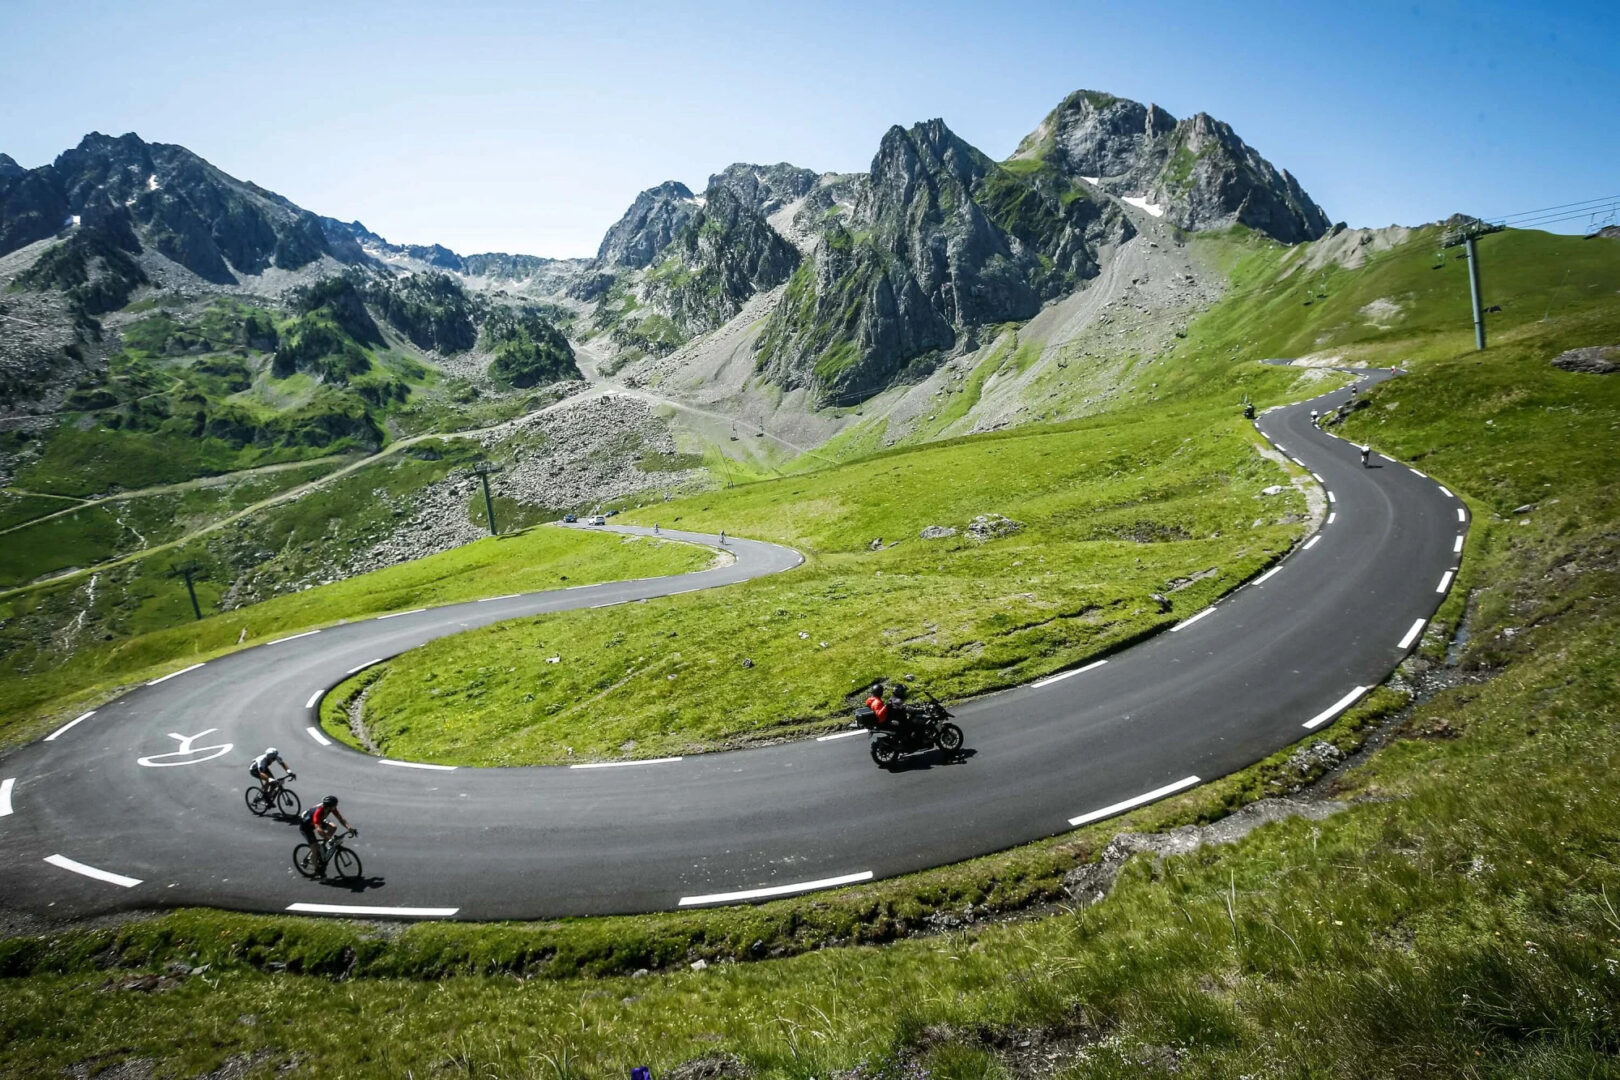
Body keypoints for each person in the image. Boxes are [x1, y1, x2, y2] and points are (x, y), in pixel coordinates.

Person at [299, 795, 354, 874]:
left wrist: (349, 828)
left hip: (317, 821)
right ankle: (317, 870)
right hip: (306, 827)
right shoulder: (318, 812)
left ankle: (322, 845)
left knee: (333, 827)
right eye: (335, 805)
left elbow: (340, 818)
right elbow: (318, 829)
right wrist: (329, 839)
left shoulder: (330, 808)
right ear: (329, 806)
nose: (336, 806)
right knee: (314, 849)